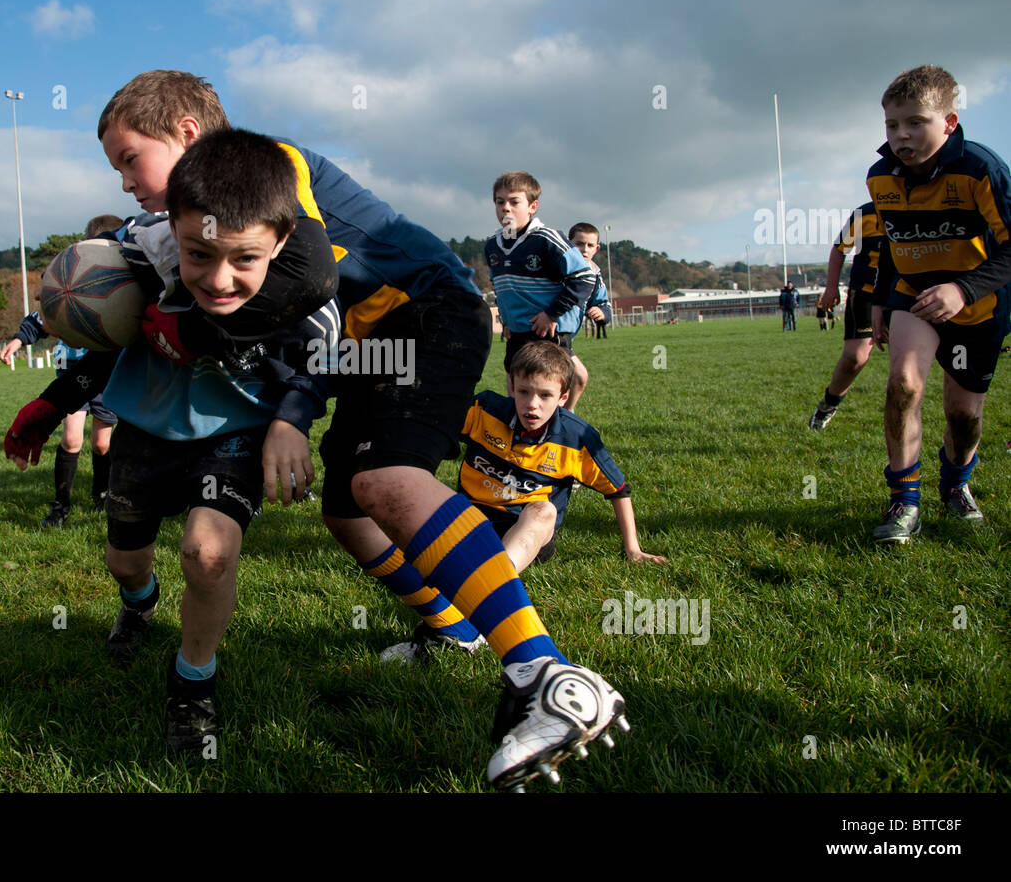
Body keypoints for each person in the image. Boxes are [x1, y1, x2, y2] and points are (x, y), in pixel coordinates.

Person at [39, 70, 631, 790]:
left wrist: (258, 388)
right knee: (347, 509)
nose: (127, 181)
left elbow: (308, 273)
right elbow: (304, 322)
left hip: (425, 312)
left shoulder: (274, 166)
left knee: (383, 480)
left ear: (186, 134)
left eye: (130, 157)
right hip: (361, 342)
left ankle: (546, 676)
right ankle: (454, 626)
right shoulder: (196, 223)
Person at [13, 129, 340, 752]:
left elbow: (321, 366)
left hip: (234, 440)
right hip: (144, 434)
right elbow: (113, 341)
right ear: (173, 228)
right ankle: (139, 604)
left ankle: (192, 685)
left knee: (207, 554)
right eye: (198, 255)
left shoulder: (308, 303)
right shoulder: (141, 257)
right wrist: (53, 403)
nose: (219, 280)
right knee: (124, 562)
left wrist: (292, 418)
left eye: (245, 259)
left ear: (283, 241)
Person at [381, 342, 664, 666]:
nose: (532, 404)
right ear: (511, 387)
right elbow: (430, 427)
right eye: (524, 392)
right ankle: (471, 605)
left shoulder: (578, 438)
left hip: (526, 528)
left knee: (544, 509)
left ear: (563, 397)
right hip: (471, 517)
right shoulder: (484, 410)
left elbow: (619, 490)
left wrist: (633, 548)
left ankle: (474, 604)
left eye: (544, 395)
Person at [868, 65, 1011, 543]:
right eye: (892, 125)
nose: (901, 135)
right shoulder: (880, 176)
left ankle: (956, 486)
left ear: (949, 122)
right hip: (914, 297)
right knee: (903, 385)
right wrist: (880, 301)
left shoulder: (981, 169)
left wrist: (963, 289)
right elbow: (893, 240)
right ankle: (904, 502)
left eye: (915, 123)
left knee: (962, 415)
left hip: (980, 304)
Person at [0, 214, 123, 525]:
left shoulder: (123, 282)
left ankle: (102, 495)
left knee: (101, 442)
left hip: (107, 374)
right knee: (71, 439)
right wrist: (19, 340)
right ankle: (60, 506)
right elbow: (42, 316)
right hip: (72, 370)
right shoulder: (76, 278)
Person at [485, 172, 597, 379]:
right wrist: (506, 320)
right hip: (517, 332)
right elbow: (498, 286)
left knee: (545, 388)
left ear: (532, 207)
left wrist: (552, 314)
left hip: (548, 331)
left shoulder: (547, 239)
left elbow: (585, 278)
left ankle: (565, 411)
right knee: (516, 386)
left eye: (514, 202)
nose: (506, 208)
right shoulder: (492, 245)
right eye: (500, 202)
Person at [808, 204, 885, 430]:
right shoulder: (865, 214)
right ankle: (829, 404)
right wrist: (831, 287)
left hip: (902, 293)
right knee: (855, 357)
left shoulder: (921, 206)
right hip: (865, 293)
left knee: (905, 369)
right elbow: (840, 248)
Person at [569, 223, 613, 339]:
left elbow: (604, 304)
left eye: (590, 245)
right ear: (568, 243)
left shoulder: (594, 274)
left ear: (596, 249)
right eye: (579, 244)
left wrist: (602, 312)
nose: (585, 250)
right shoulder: (554, 267)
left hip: (565, 339)